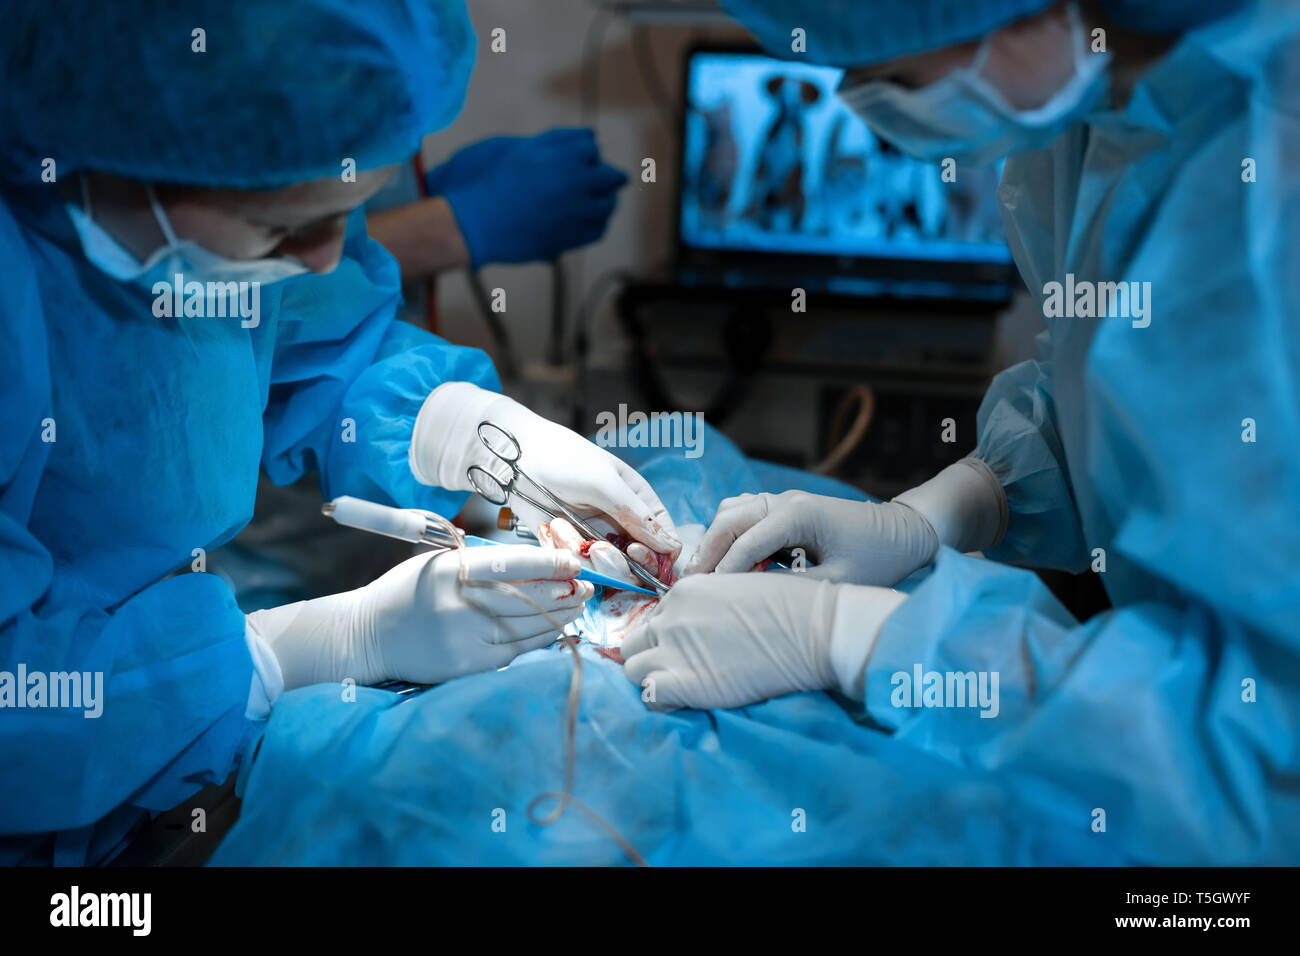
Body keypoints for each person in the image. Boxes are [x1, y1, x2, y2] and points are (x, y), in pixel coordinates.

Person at [621, 0, 1300, 862]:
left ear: (1022, 16)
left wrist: (863, 642)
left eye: (893, 75)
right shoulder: (1101, 117)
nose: (866, 97)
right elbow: (1124, 407)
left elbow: (1264, 755)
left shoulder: (1271, 174)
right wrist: (952, 509)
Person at [0, 0, 676, 865]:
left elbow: (307, 339)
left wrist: (461, 428)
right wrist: (298, 651)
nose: (323, 255)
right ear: (119, 140)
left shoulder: (187, 202)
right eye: (282, 226)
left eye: (349, 211)